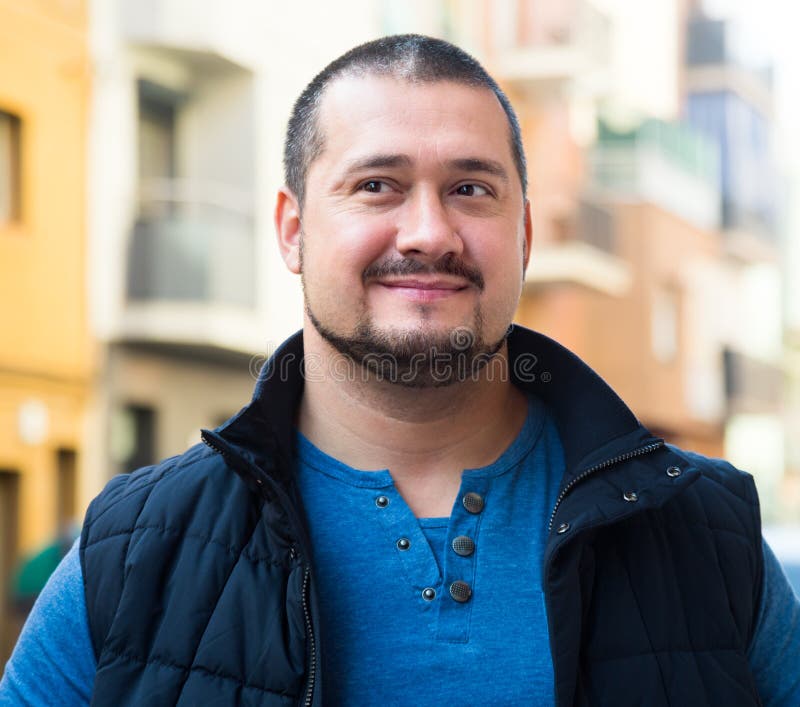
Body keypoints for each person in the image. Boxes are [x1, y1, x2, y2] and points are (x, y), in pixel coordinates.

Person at [1, 34, 799, 707]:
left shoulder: (704, 534)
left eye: (470, 188)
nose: (427, 231)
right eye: (377, 185)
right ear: (292, 229)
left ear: (524, 234)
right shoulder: (133, 552)